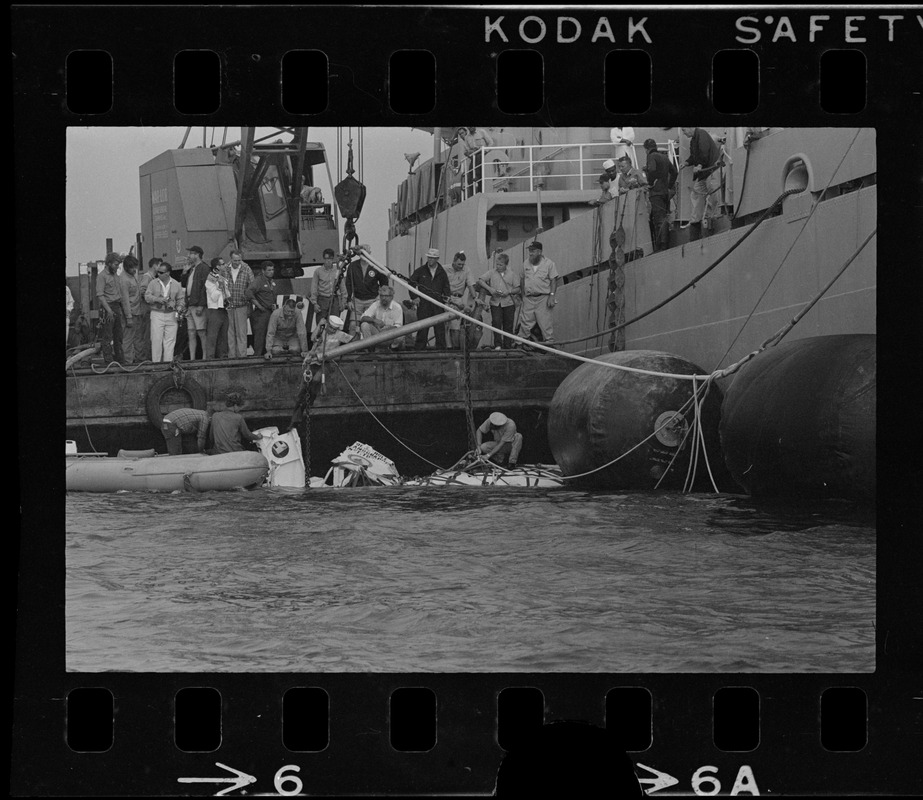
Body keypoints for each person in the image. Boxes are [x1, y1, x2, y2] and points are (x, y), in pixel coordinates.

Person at [681, 127, 723, 241]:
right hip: (703, 173)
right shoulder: (693, 140)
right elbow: (694, 156)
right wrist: (686, 163)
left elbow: (704, 151)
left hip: (710, 169)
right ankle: (696, 221)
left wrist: (699, 165)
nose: (683, 133)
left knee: (713, 192)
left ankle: (715, 216)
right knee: (696, 194)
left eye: (684, 130)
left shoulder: (701, 134)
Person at [517, 241, 559, 346]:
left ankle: (549, 344)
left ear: (539, 252)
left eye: (533, 251)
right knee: (525, 322)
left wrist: (552, 296)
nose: (531, 253)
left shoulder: (549, 264)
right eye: (530, 251)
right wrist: (523, 295)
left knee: (545, 323)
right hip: (529, 298)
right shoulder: (525, 263)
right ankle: (520, 344)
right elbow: (522, 279)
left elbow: (554, 280)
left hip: (543, 298)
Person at [476, 252, 521, 349]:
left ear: (506, 265)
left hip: (508, 302)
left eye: (500, 265)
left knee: (508, 324)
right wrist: (490, 289)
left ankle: (507, 345)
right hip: (495, 302)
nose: (498, 266)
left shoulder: (512, 274)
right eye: (497, 264)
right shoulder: (491, 273)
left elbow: (518, 288)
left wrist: (508, 292)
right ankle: (498, 344)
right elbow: (480, 280)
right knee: (496, 322)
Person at [409, 247, 451, 350]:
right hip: (424, 304)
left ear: (437, 259)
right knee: (422, 328)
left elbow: (446, 286)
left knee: (439, 328)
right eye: (429, 258)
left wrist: (446, 300)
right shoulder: (420, 271)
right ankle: (419, 350)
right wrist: (415, 297)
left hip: (438, 303)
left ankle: (441, 350)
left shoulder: (442, 272)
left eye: (433, 258)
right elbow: (411, 283)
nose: (430, 260)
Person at [144, 261, 185, 362]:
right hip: (157, 313)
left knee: (170, 342)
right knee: (156, 340)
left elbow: (181, 299)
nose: (158, 274)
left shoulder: (176, 284)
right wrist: (157, 299)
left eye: (161, 273)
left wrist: (178, 307)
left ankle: (168, 364)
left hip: (171, 315)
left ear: (168, 273)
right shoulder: (153, 283)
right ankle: (156, 365)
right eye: (158, 272)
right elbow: (147, 296)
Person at [643, 138, 678, 252]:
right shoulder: (664, 157)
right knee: (664, 217)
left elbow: (652, 170)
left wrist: (650, 182)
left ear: (647, 149)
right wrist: (668, 186)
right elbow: (674, 172)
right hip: (665, 192)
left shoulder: (651, 156)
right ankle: (664, 243)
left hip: (656, 192)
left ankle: (662, 246)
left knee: (659, 219)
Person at [344, 245, 388, 333]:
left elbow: (384, 283)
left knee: (371, 325)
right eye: (363, 253)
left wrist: (382, 298)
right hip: (357, 300)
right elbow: (348, 284)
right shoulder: (352, 266)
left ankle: (373, 345)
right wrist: (348, 300)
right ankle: (354, 346)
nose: (365, 255)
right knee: (353, 325)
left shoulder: (376, 266)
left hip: (372, 300)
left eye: (366, 253)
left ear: (370, 254)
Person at [95, 251, 129, 363]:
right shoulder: (102, 276)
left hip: (116, 306)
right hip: (108, 307)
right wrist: (108, 310)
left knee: (118, 335)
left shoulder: (115, 276)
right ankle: (108, 361)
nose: (117, 267)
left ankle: (120, 359)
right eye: (115, 264)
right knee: (107, 336)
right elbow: (100, 295)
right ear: (109, 263)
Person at [445, 251, 479, 349]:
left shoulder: (466, 270)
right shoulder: (444, 269)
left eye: (462, 264)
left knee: (455, 326)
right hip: (445, 298)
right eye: (459, 264)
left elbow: (470, 284)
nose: (461, 266)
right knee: (444, 325)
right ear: (454, 261)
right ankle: (445, 347)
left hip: (457, 300)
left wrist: (475, 298)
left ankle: (455, 349)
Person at [225, 249, 254, 357]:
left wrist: (247, 299)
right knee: (230, 333)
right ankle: (231, 356)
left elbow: (252, 286)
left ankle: (242, 356)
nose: (237, 263)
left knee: (241, 333)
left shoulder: (246, 269)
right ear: (231, 259)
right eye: (235, 260)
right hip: (228, 306)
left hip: (242, 305)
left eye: (239, 260)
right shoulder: (225, 269)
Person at [183, 246, 210, 360]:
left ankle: (205, 357)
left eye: (191, 253)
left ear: (197, 254)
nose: (189, 256)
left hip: (198, 304)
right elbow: (184, 285)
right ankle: (192, 358)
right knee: (191, 333)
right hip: (190, 304)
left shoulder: (203, 268)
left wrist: (201, 305)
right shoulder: (193, 268)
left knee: (201, 332)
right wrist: (185, 272)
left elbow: (205, 287)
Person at [246, 260, 277, 357]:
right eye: (269, 270)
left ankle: (266, 353)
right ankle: (257, 356)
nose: (271, 272)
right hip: (261, 313)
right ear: (263, 271)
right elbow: (248, 292)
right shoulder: (259, 281)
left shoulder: (270, 280)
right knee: (260, 335)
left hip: (270, 311)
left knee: (269, 333)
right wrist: (258, 305)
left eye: (272, 269)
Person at [359, 285, 405, 350]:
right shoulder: (375, 305)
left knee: (401, 335)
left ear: (391, 297)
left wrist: (385, 330)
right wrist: (374, 320)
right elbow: (362, 318)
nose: (383, 298)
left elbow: (398, 326)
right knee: (364, 325)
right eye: (381, 296)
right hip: (377, 334)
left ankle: (392, 350)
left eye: (386, 296)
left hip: (390, 335)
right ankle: (369, 349)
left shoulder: (397, 307)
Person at [311, 247, 346, 322]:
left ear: (333, 259)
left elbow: (342, 286)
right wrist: (314, 303)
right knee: (321, 322)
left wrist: (343, 301)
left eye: (330, 259)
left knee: (334, 322)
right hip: (322, 299)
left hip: (335, 299)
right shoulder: (318, 271)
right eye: (326, 259)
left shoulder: (338, 270)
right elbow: (314, 287)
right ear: (323, 259)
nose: (328, 261)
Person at [137, 257, 162, 361]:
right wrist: (154, 299)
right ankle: (145, 357)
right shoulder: (148, 278)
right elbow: (143, 292)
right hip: (147, 310)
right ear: (155, 266)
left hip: (148, 310)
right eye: (160, 265)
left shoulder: (150, 278)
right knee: (147, 335)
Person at [204, 257, 230, 359]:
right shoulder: (210, 280)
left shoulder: (222, 278)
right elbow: (214, 297)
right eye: (222, 264)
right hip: (214, 310)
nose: (225, 266)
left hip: (224, 309)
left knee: (224, 336)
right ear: (217, 267)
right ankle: (210, 358)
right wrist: (219, 286)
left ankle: (223, 357)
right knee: (212, 336)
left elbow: (227, 294)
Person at [119, 254, 142, 364]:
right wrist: (128, 317)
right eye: (132, 268)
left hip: (136, 312)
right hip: (130, 313)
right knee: (127, 339)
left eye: (135, 267)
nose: (135, 270)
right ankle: (127, 363)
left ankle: (133, 359)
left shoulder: (132, 275)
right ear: (126, 267)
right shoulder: (124, 280)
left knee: (134, 338)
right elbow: (125, 300)